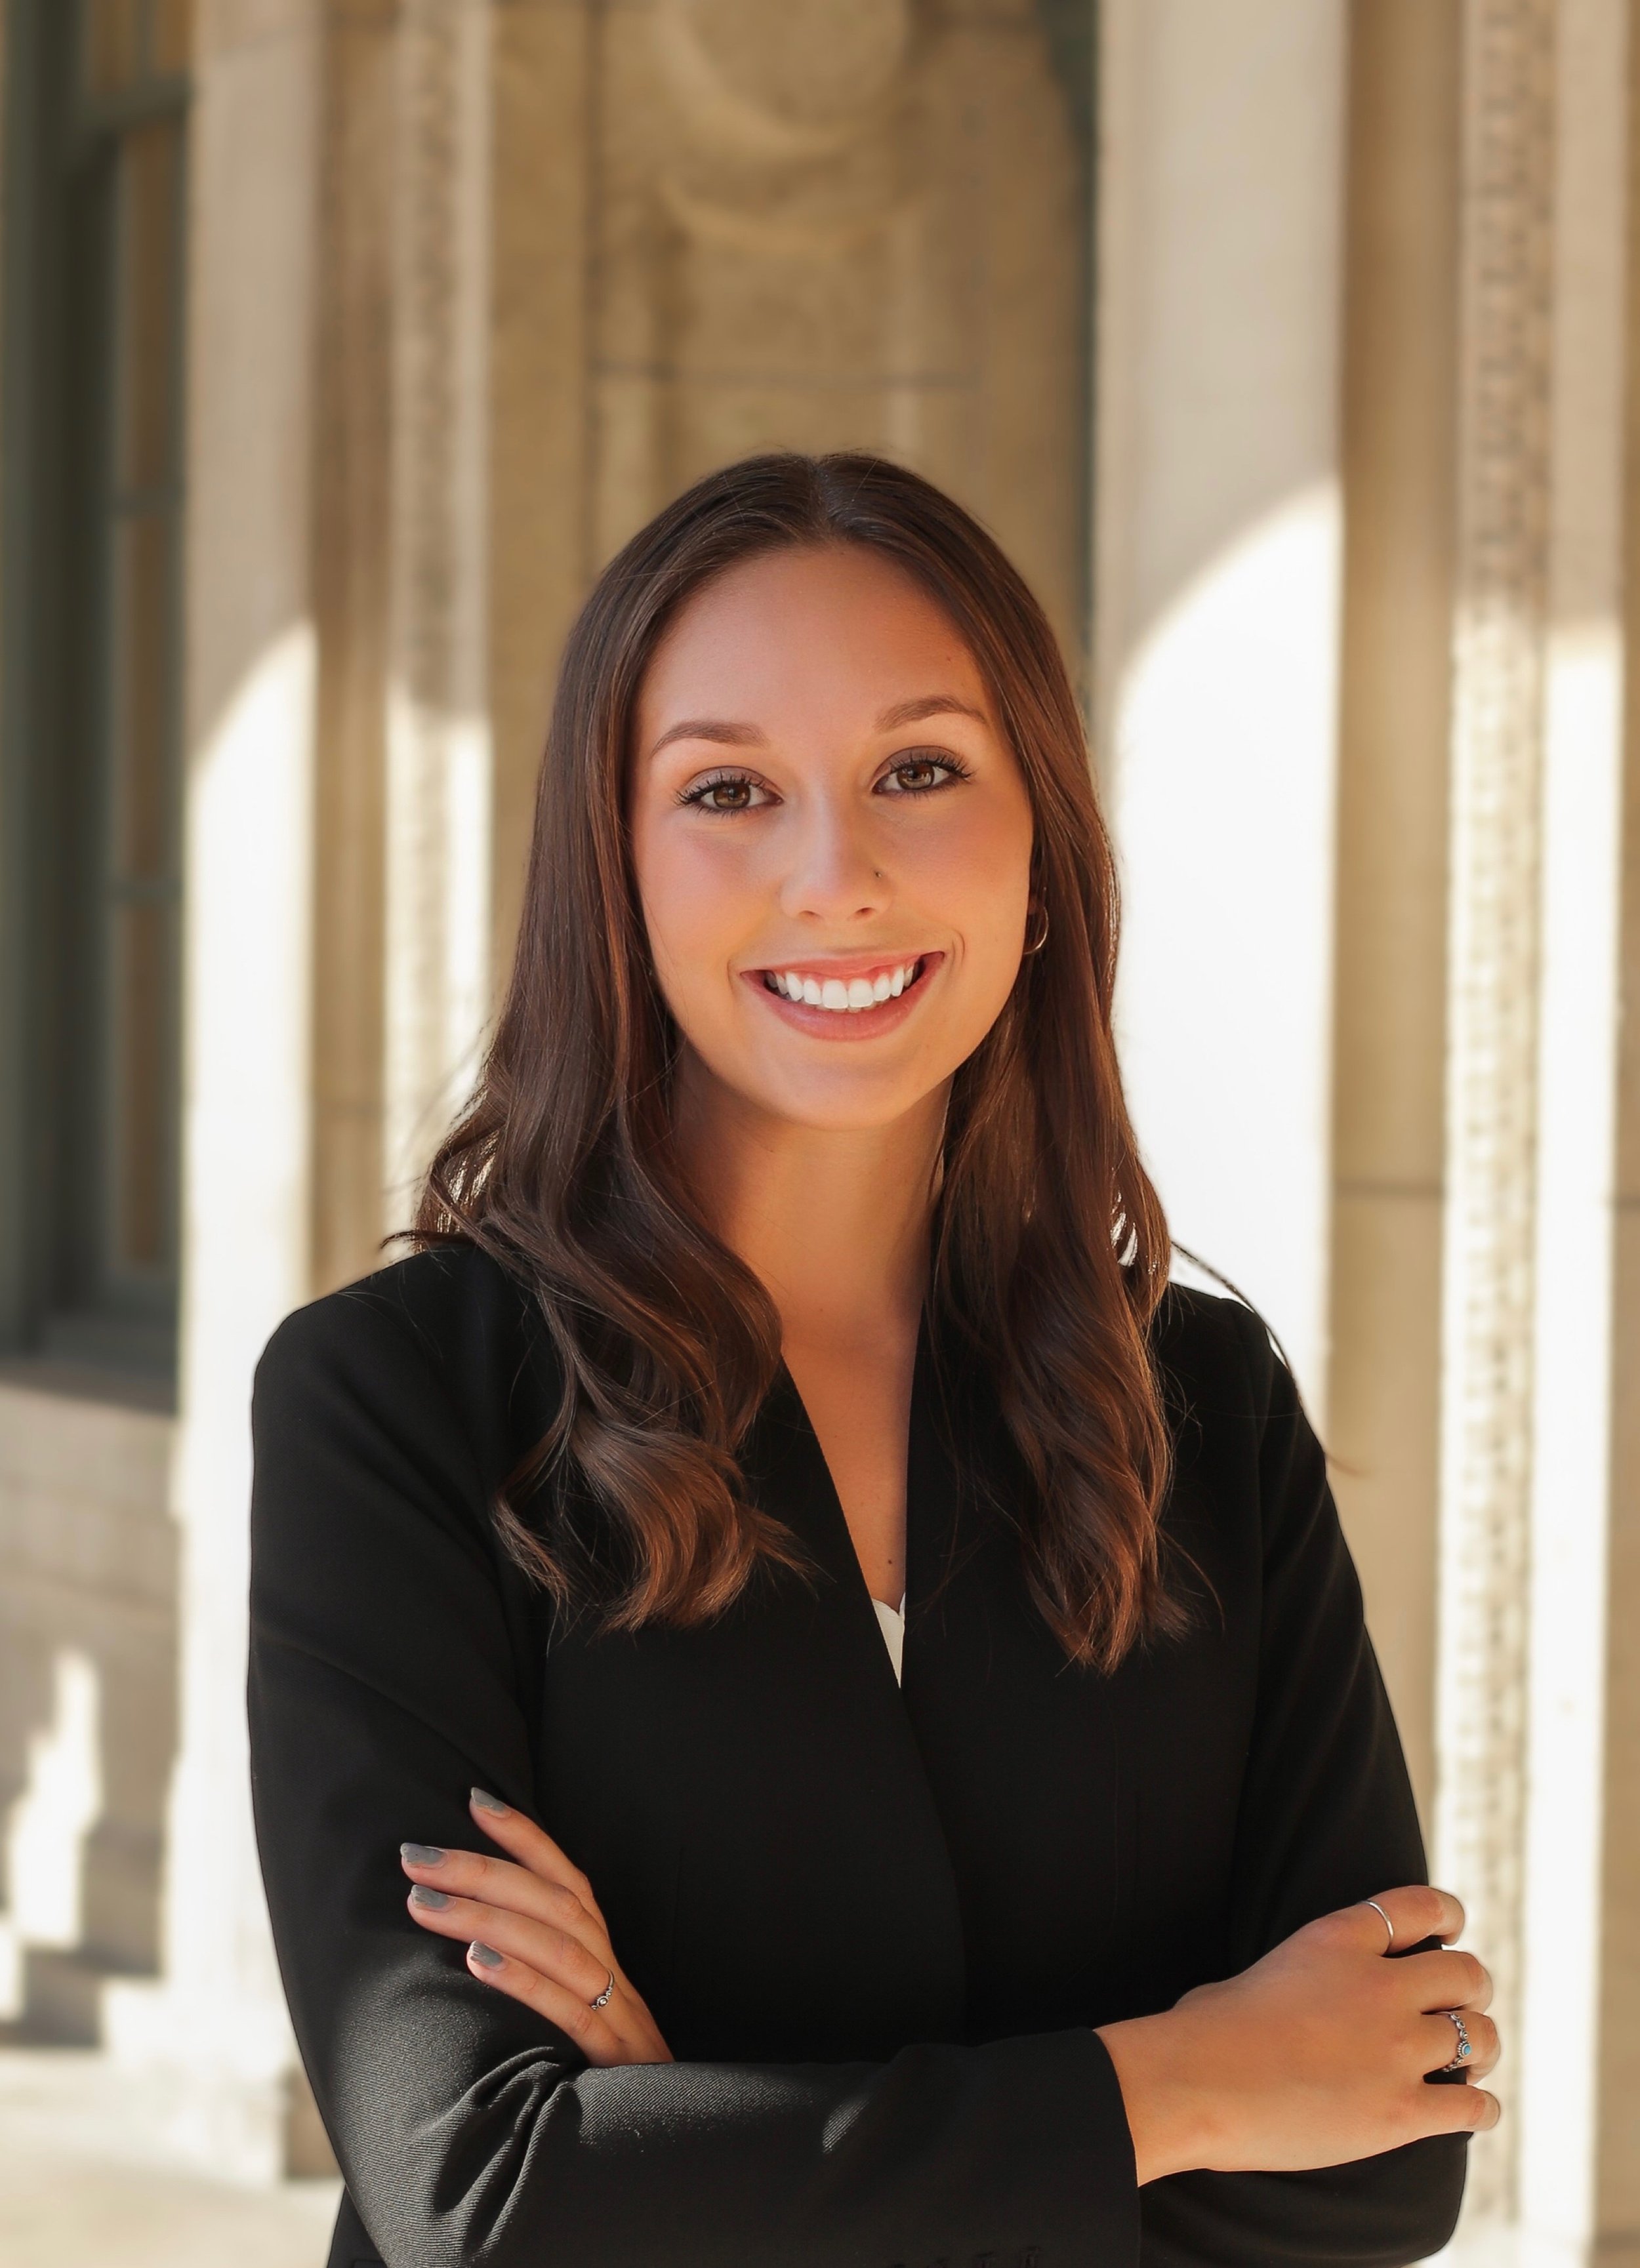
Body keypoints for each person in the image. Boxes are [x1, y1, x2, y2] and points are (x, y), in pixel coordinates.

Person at [248, 453, 1498, 2268]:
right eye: (727, 790)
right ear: (614, 871)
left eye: (919, 770)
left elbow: (1384, 2153)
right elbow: (484, 2192)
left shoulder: (1202, 1406)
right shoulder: (402, 1403)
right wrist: (1186, 2082)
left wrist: (696, 2132)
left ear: (1043, 852)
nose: (835, 876)